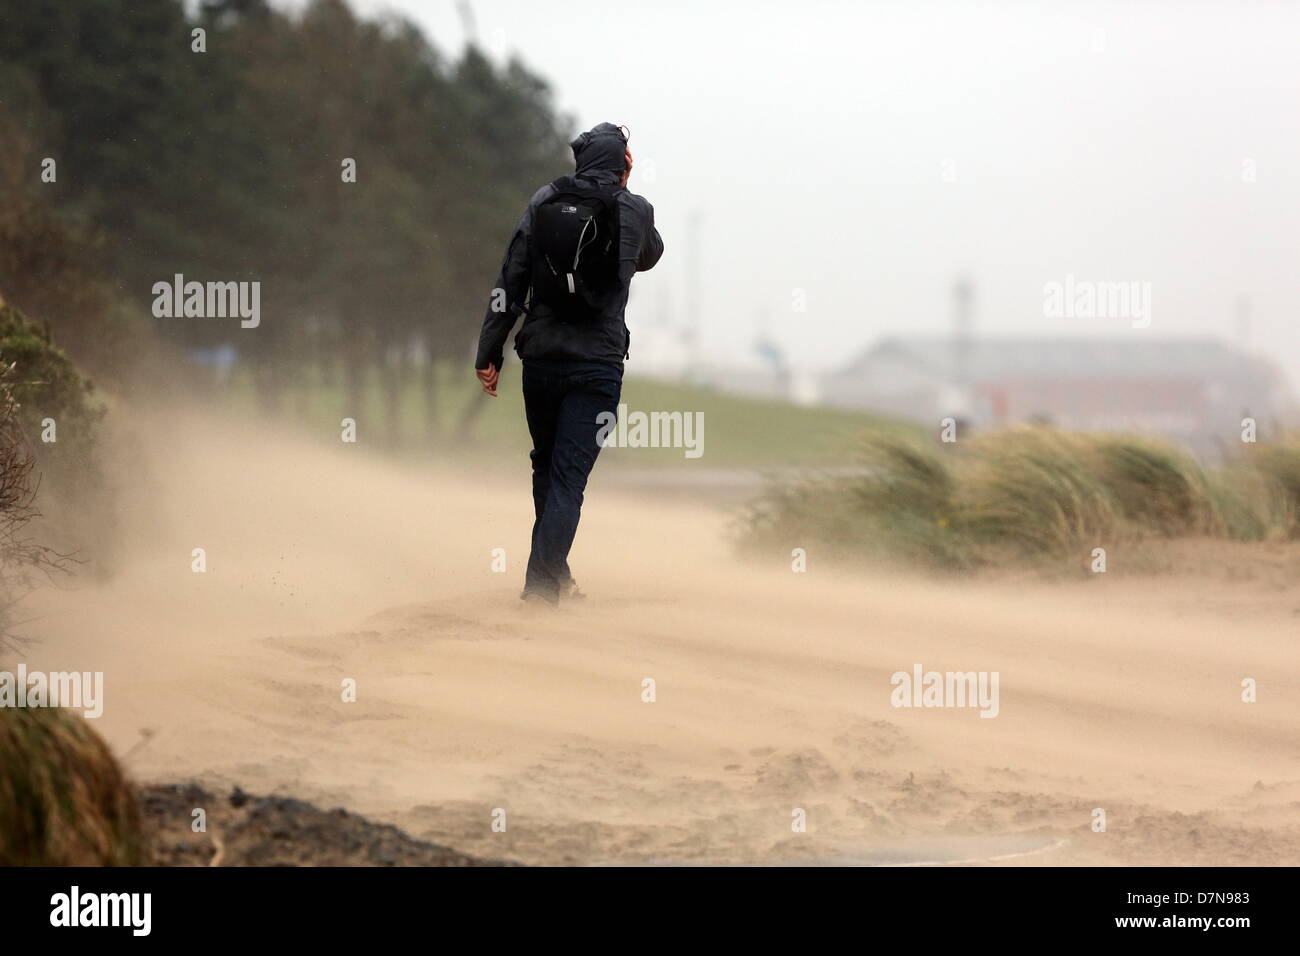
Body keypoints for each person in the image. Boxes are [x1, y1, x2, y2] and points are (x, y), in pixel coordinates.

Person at [474, 122, 664, 606]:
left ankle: (554, 574)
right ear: (623, 164)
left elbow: (511, 275)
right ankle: (539, 588)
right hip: (597, 365)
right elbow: (650, 256)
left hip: (539, 358)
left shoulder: (545, 199)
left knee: (546, 467)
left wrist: (489, 350)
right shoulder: (635, 209)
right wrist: (623, 195)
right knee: (567, 479)